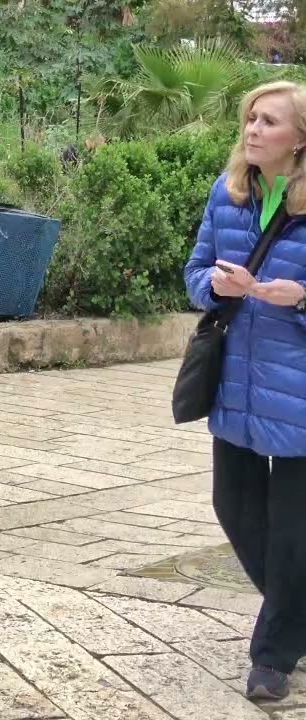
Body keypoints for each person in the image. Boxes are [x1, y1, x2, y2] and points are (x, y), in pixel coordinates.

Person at [182, 79, 306, 702]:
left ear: (301, 140)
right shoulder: (227, 192)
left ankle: (274, 656)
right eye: (250, 118)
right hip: (236, 383)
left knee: (293, 530)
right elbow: (194, 271)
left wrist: (302, 297)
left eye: (270, 122)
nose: (253, 130)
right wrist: (216, 288)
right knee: (233, 508)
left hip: (300, 392)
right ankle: (296, 615)